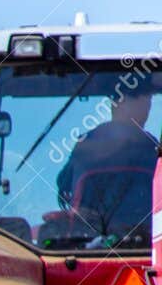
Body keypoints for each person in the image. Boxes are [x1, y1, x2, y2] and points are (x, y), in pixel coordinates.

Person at [56, 92, 157, 237]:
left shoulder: (85, 144)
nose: (147, 107)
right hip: (145, 240)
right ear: (116, 102)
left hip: (88, 239)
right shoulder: (152, 148)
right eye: (141, 99)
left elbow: (63, 190)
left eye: (149, 100)